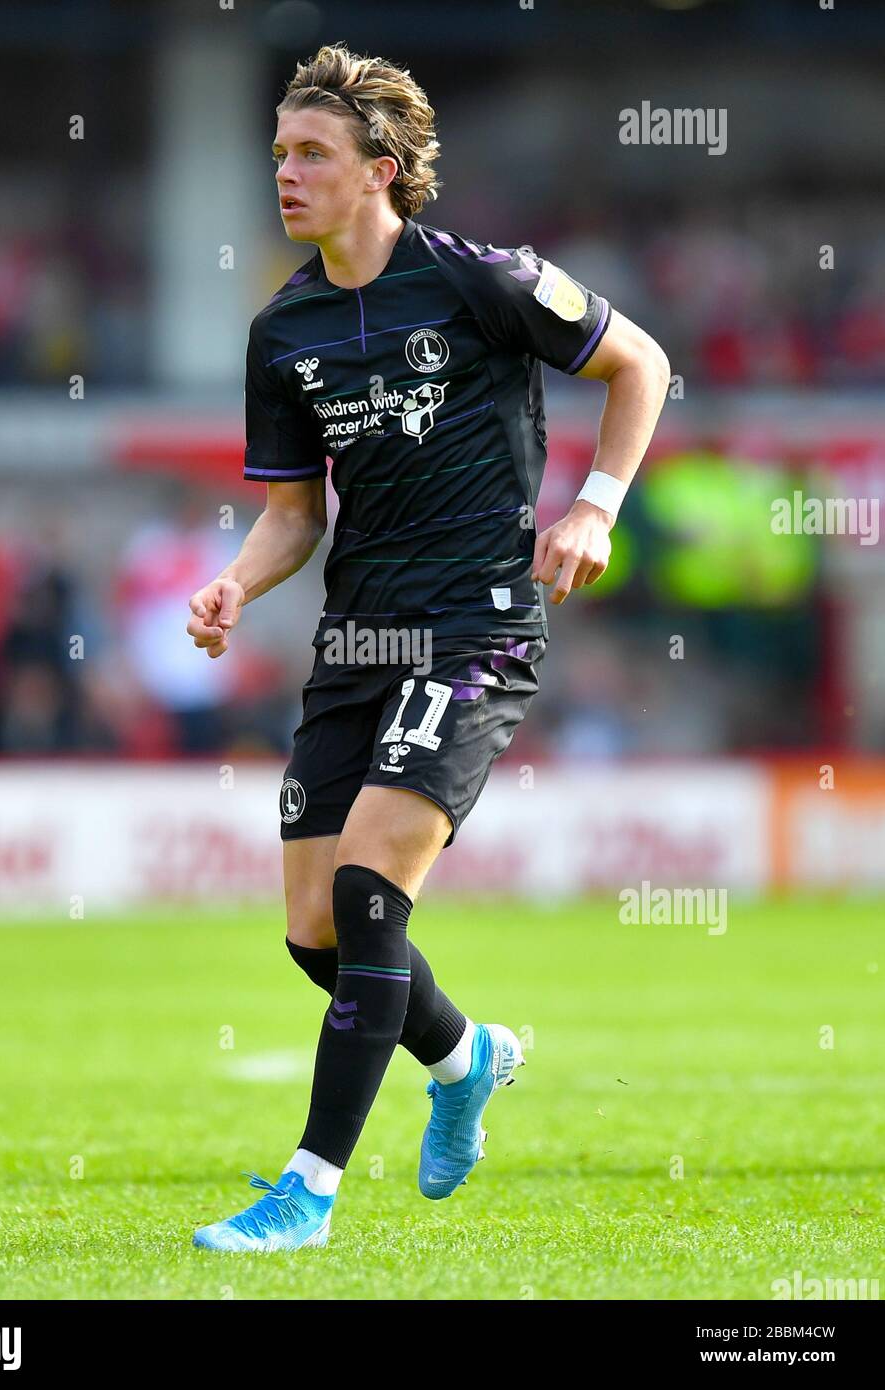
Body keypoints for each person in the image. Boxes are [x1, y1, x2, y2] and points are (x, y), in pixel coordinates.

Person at [186, 43, 669, 1251]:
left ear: (380, 172)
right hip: (359, 631)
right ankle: (465, 1059)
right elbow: (295, 514)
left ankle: (305, 1190)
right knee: (313, 931)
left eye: (311, 155)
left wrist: (595, 503)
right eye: (280, 154)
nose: (286, 175)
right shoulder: (284, 327)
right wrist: (233, 583)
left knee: (366, 888)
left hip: (475, 624)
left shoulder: (480, 280)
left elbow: (639, 362)